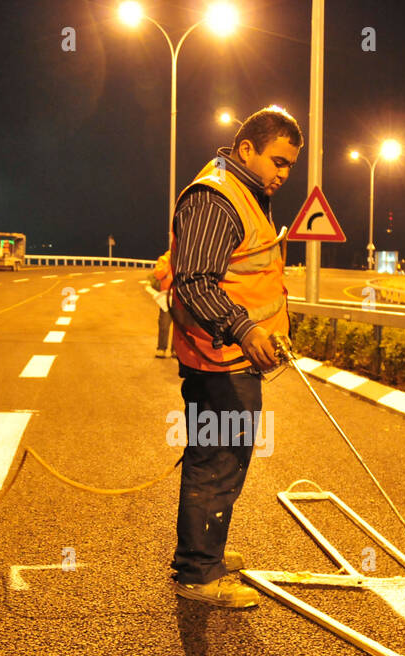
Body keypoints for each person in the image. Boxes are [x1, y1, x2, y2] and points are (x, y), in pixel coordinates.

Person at [164, 105, 302, 607]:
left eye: (290, 165)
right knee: (217, 460)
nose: (284, 174)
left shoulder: (245, 191)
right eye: (278, 161)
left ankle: (205, 553)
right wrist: (244, 330)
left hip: (233, 357)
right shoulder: (217, 198)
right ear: (247, 148)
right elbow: (195, 280)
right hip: (218, 358)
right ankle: (199, 573)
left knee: (226, 456)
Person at [150, 251, 174, 358]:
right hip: (166, 296)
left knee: (180, 327)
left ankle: (176, 350)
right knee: (164, 323)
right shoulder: (164, 259)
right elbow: (158, 274)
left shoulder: (185, 258)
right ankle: (161, 348)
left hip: (180, 296)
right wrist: (169, 264)